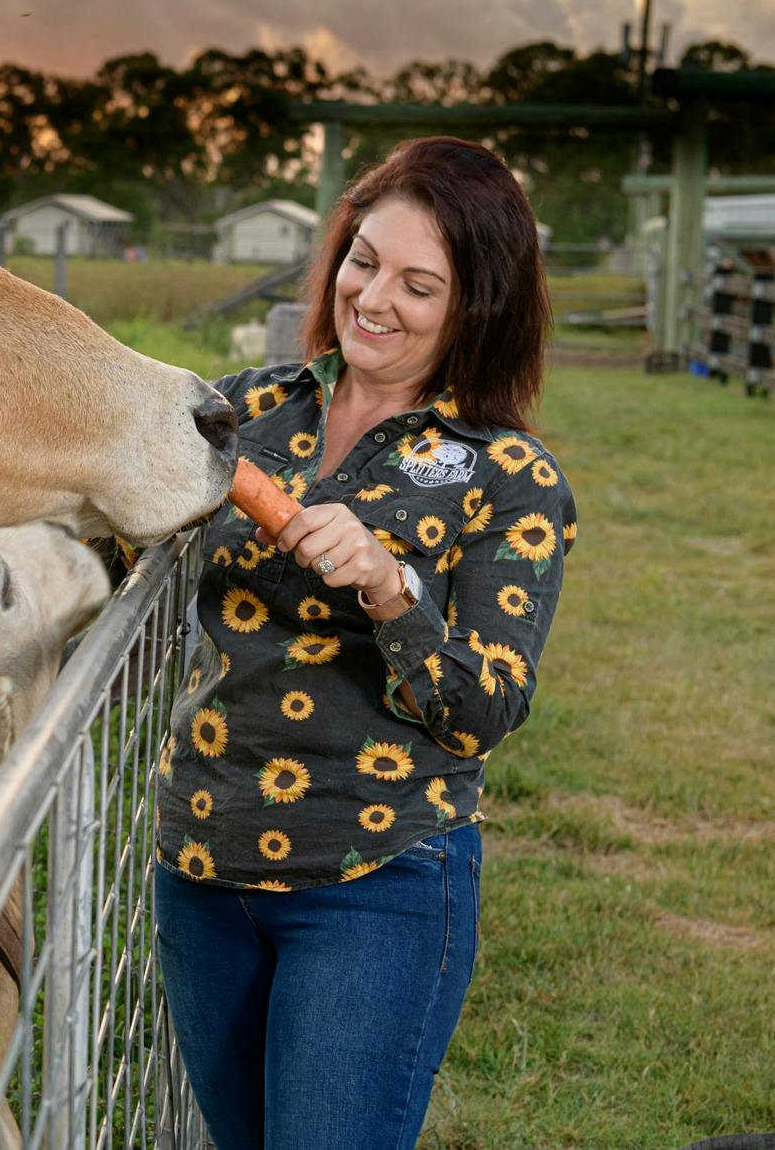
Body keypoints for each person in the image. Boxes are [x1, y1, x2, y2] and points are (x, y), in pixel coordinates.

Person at [151, 136, 577, 1150]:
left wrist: (392, 589)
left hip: (372, 884)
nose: (372, 297)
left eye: (418, 284)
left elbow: (480, 711)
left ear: (474, 305)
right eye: (362, 260)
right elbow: (122, 550)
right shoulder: (241, 410)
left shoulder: (506, 475)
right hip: (200, 869)